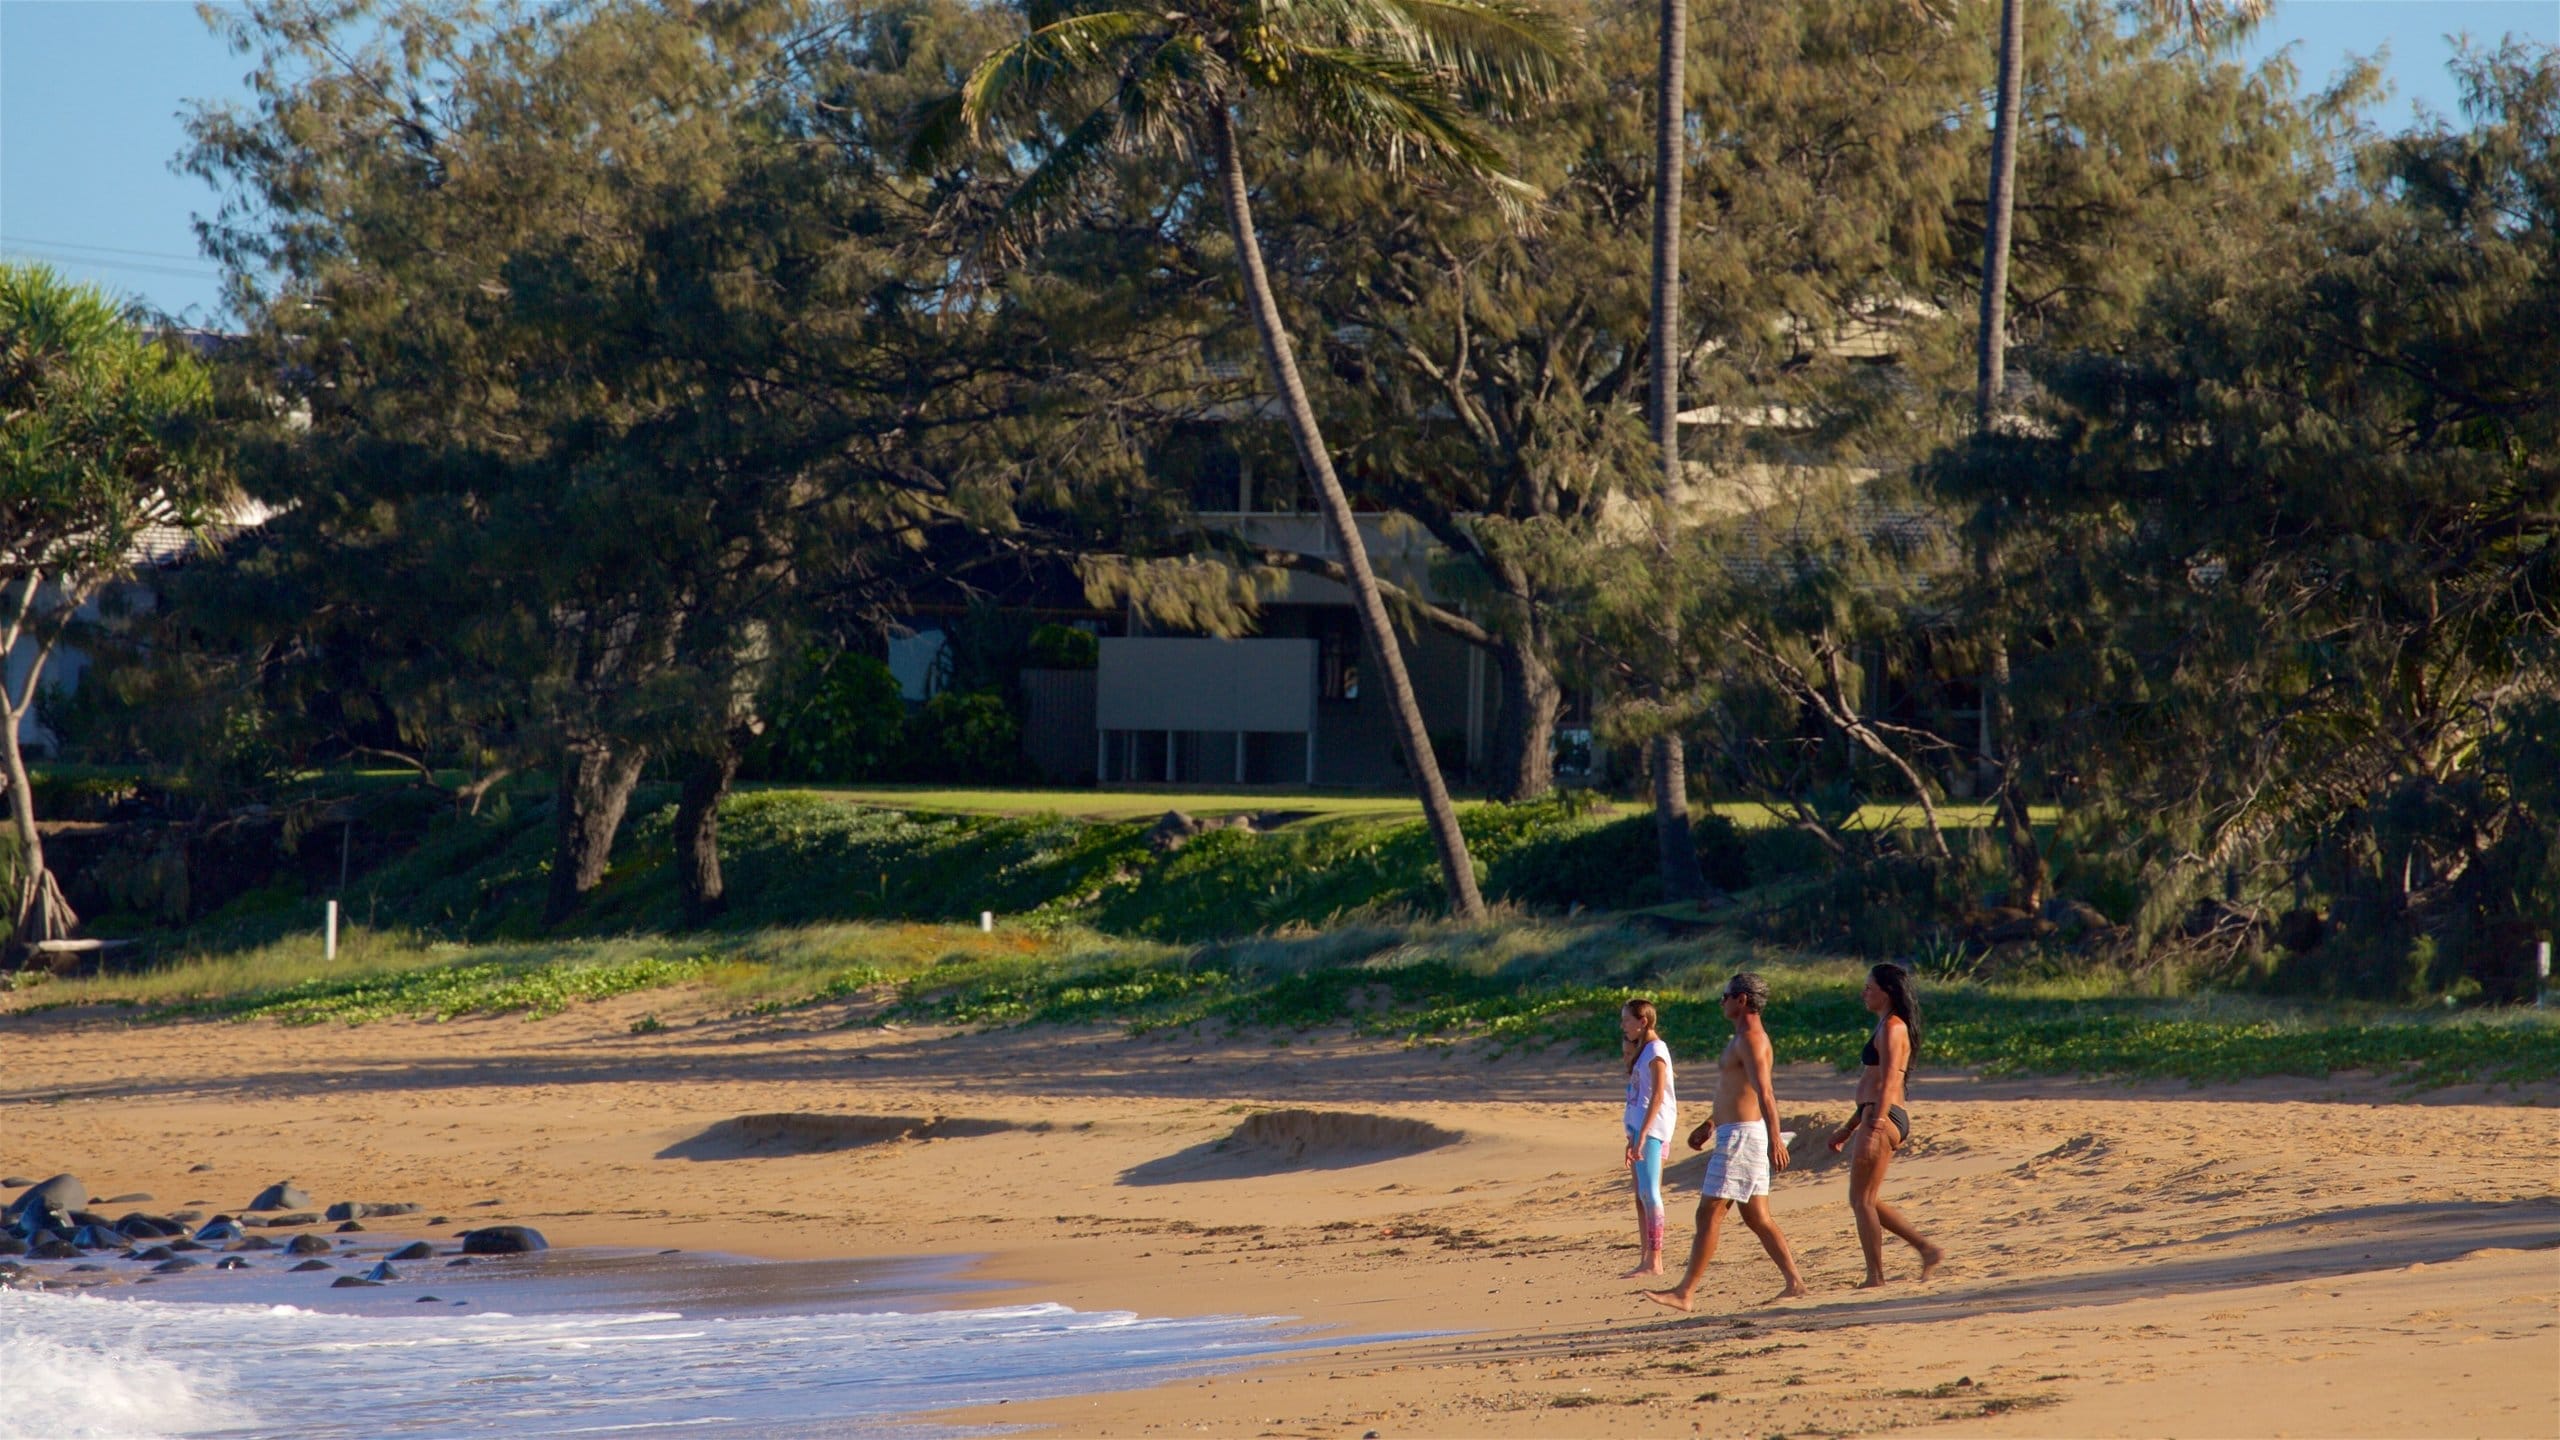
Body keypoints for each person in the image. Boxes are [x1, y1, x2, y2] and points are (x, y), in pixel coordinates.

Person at [1644, 972, 1807, 1310]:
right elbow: (1736, 1092)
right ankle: (1794, 1283)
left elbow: (1765, 1092)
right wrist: (1710, 1123)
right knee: (1757, 1216)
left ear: (1742, 999)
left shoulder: (1751, 1039)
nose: (1722, 1001)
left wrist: (1775, 1137)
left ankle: (1685, 1292)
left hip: (1742, 1138)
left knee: (1709, 1214)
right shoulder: (1741, 1039)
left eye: (1725, 995)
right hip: (1734, 1132)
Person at [1827, 961, 1945, 1287]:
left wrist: (1875, 1124)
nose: (1864, 992)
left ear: (1888, 991)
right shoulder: (1885, 1025)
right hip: (1874, 1114)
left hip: (1883, 1116)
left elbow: (1891, 1079)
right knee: (1865, 1198)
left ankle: (1875, 1277)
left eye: (1870, 987)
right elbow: (1874, 1083)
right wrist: (1849, 1127)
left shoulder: (1894, 1027)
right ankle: (1926, 1249)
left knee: (1862, 1200)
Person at [1618, 998, 1677, 1278]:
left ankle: (1655, 1260)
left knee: (1650, 1193)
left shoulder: (1656, 1050)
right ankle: (1645, 1258)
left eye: (1627, 1021)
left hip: (1651, 1131)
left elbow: (1657, 1095)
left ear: (1643, 1022)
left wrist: (1642, 1135)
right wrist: (1633, 1134)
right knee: (1640, 1196)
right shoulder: (1643, 1051)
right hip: (1639, 1130)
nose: (1623, 1027)